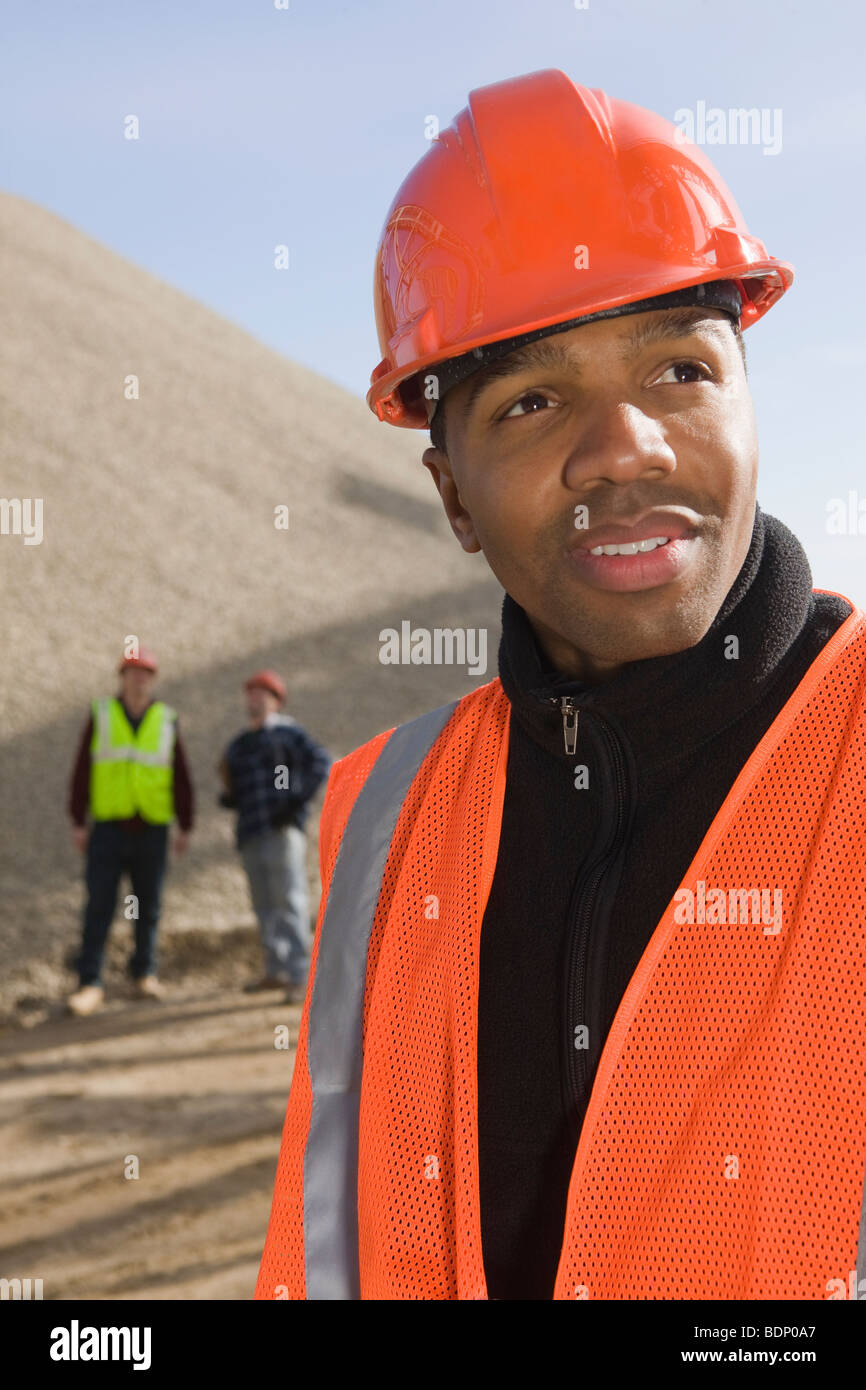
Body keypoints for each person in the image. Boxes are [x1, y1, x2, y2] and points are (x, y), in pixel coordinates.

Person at [255, 70, 866, 1300]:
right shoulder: (381, 817)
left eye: (680, 372)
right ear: (452, 498)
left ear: (748, 400)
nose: (624, 447)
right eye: (532, 401)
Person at [66, 644, 194, 1016]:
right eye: (133, 673)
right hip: (108, 827)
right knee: (100, 903)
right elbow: (82, 770)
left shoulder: (166, 719)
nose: (139, 680)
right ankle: (90, 982)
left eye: (146, 674)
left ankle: (144, 974)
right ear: (122, 678)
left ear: (153, 680)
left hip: (152, 827)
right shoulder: (102, 714)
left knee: (147, 905)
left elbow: (180, 775)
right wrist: (78, 820)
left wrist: (185, 824)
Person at [218, 670, 331, 1003]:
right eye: (250, 693)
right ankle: (276, 969)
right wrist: (232, 798)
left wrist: (295, 798)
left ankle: (300, 975)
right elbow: (233, 782)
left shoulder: (289, 734)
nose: (254, 699)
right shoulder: (239, 744)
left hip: (282, 830)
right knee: (264, 903)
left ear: (276, 700)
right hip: (251, 831)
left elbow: (321, 763)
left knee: (288, 900)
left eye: (262, 693)